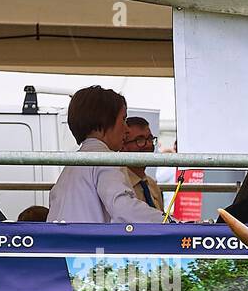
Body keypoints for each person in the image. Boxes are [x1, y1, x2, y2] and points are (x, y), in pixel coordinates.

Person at [46, 86, 165, 224]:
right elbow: (124, 209)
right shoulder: (106, 160)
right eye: (123, 119)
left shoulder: (69, 169)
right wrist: (169, 222)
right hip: (90, 244)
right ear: (106, 120)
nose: (126, 129)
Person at [122, 115, 165, 212]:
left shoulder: (152, 184)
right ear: (122, 145)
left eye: (150, 139)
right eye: (140, 140)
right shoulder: (119, 181)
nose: (149, 145)